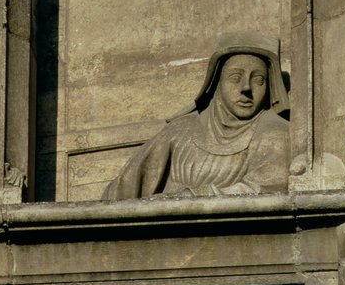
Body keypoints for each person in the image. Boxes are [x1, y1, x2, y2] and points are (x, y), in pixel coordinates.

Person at [103, 32, 289, 200]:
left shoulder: (275, 133)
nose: (246, 88)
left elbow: (266, 190)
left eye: (259, 80)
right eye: (235, 77)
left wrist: (193, 196)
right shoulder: (181, 130)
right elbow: (122, 190)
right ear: (217, 83)